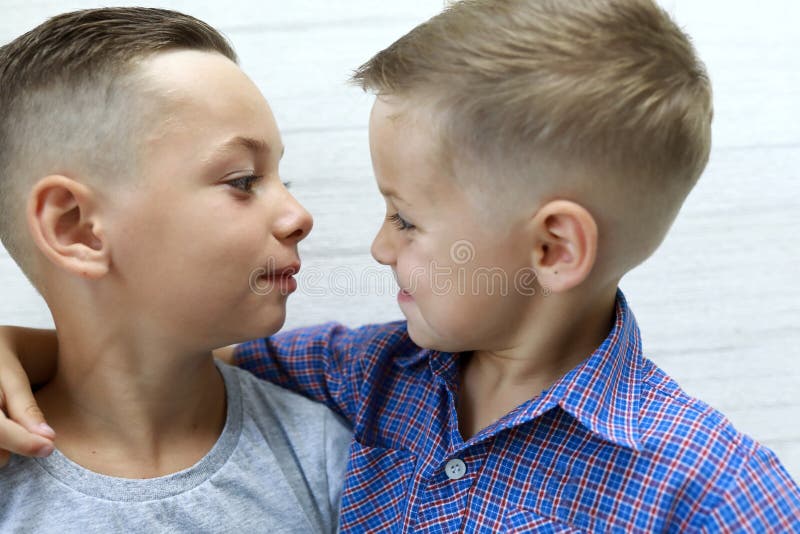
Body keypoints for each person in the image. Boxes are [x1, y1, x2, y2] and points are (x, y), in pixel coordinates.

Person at [2, 0, 800, 531]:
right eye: (244, 180)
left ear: (553, 250)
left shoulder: (716, 487)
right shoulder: (368, 374)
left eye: (408, 218)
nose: (372, 244)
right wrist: (21, 346)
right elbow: (146, 354)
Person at [0, 8, 350, 533]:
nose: (298, 217)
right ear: (78, 229)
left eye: (285, 178)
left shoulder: (324, 454)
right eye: (244, 180)